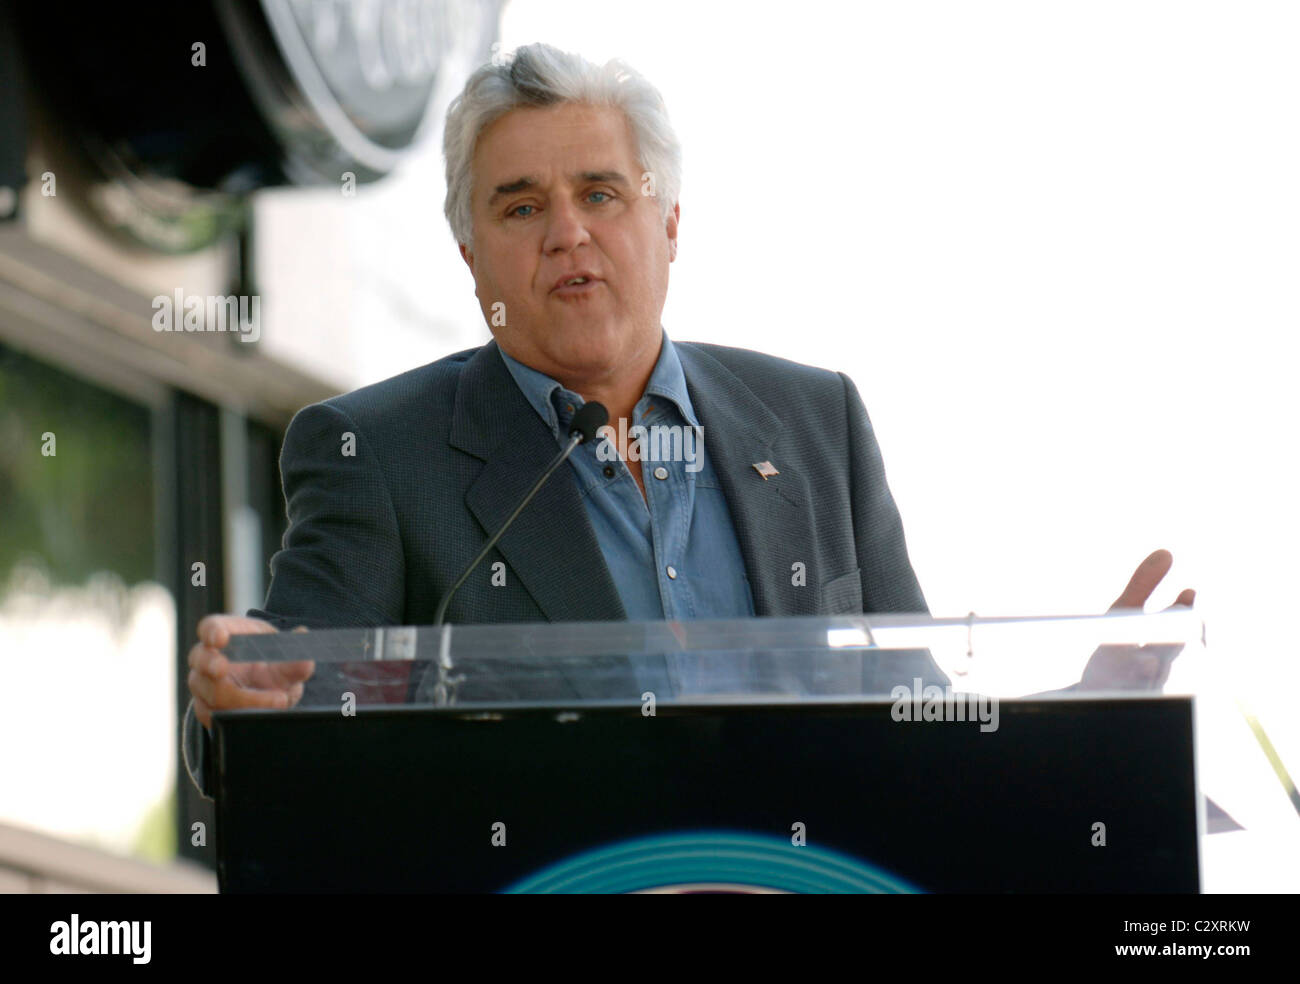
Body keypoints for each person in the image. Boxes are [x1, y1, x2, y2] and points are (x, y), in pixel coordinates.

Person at [185, 43, 1194, 795]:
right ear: (471, 255)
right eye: (521, 207)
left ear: (669, 225)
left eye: (601, 193)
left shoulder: (815, 422)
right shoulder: (377, 453)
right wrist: (235, 698)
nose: (568, 233)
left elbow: (915, 716)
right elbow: (290, 681)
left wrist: (1079, 717)